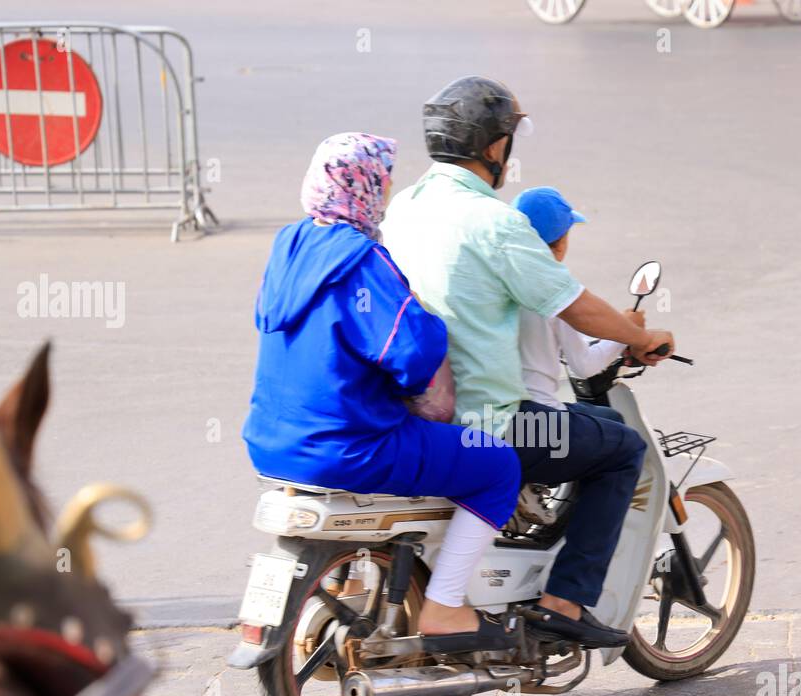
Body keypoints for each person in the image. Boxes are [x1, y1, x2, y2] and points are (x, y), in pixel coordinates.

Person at [381, 76, 676, 649]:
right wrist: (640, 337)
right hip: (495, 422)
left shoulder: (404, 209)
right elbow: (577, 307)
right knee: (623, 451)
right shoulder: (493, 221)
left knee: (600, 430)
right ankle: (563, 602)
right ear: (495, 147)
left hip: (420, 414)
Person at [242, 132, 519, 644]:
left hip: (271, 444)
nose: (389, 191)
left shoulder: (290, 246)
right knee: (498, 464)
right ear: (364, 184)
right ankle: (444, 607)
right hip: (348, 448)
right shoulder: (362, 261)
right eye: (385, 179)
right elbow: (413, 352)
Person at [512, 185, 633, 420]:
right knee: (626, 440)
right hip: (538, 418)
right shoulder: (554, 289)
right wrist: (625, 332)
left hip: (493, 413)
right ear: (560, 244)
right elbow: (584, 365)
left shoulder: (500, 277)